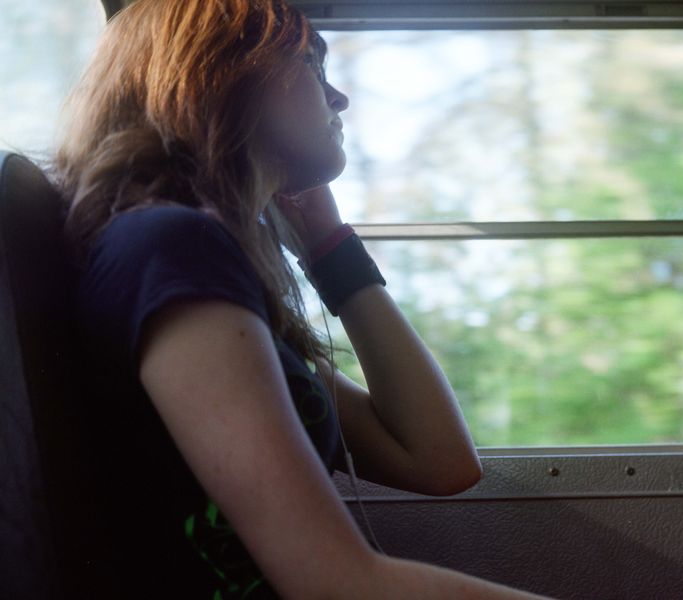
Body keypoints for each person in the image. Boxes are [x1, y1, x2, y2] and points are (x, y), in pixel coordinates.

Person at [50, 0, 558, 598]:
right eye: (314, 66)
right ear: (227, 74)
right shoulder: (169, 248)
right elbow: (338, 584)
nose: (339, 98)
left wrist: (331, 249)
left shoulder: (204, 264)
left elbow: (440, 461)